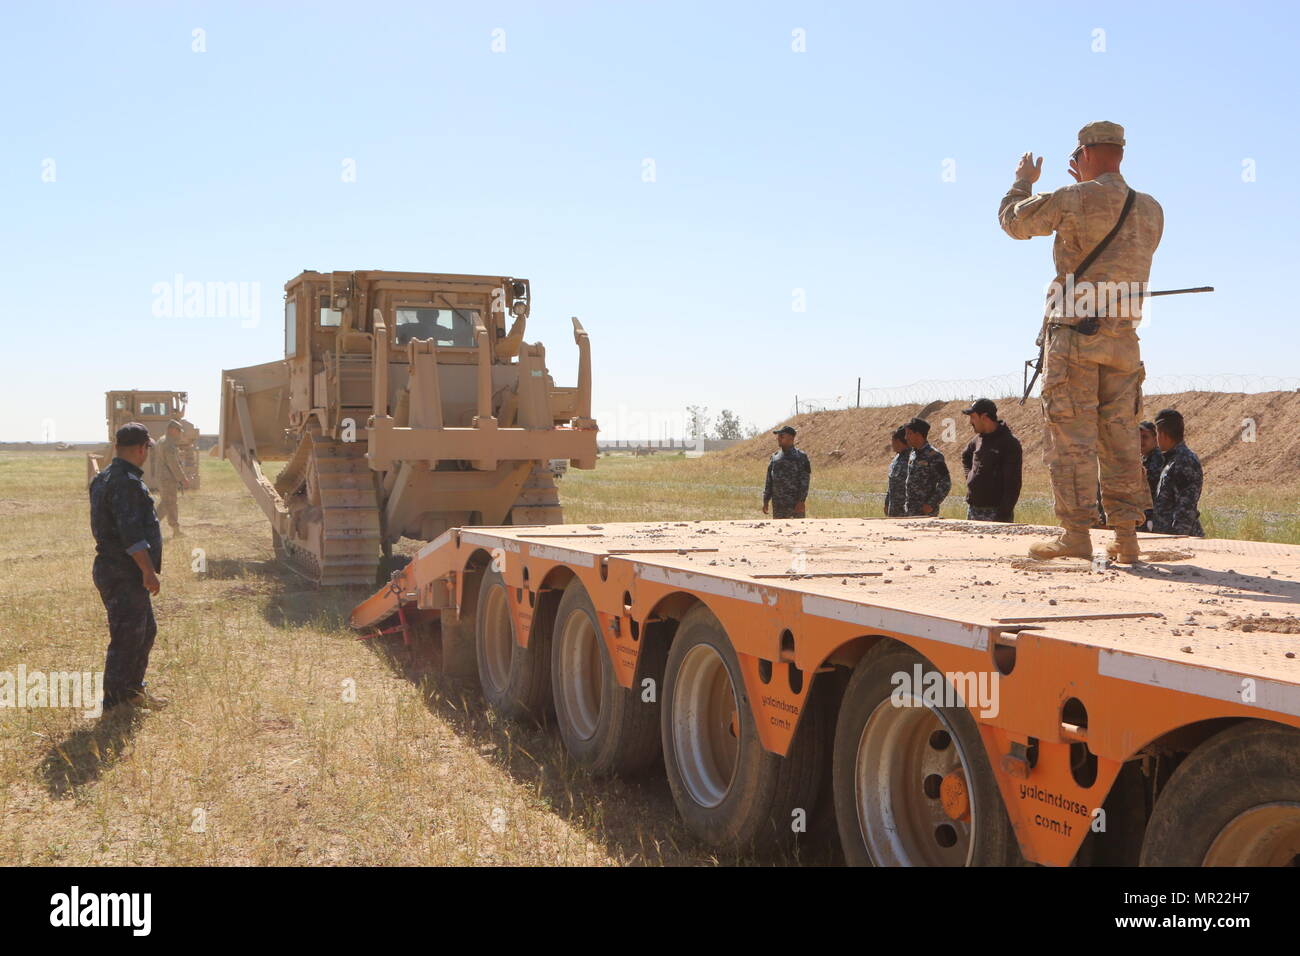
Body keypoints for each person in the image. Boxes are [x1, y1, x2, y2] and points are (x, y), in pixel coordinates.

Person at [999, 121, 1164, 563]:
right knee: (1122, 435)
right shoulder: (1150, 209)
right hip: (1124, 338)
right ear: (1120, 154)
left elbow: (1014, 224)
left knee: (1072, 436)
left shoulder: (1073, 198)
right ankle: (1126, 538)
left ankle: (1076, 534)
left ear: (1086, 153)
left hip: (1076, 335)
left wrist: (1023, 183)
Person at [89, 422, 167, 711]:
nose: (147, 453)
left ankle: (133, 692)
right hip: (124, 571)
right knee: (126, 637)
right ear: (140, 448)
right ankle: (115, 701)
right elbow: (132, 535)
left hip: (114, 568)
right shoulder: (127, 483)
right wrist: (147, 571)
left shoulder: (103, 478)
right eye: (147, 448)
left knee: (144, 632)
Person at [959, 398, 1023, 522]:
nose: (970, 422)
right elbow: (965, 456)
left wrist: (1003, 515)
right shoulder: (977, 439)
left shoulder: (1009, 442)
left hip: (996, 512)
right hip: (974, 509)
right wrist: (970, 475)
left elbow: (1013, 484)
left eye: (973, 417)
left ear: (984, 417)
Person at [1151, 408, 1204, 536]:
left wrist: (1178, 539)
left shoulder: (1183, 460)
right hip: (1168, 535)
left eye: (1157, 434)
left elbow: (1186, 507)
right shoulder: (1173, 458)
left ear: (1162, 434)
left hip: (1180, 538)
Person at [902, 418, 951, 517]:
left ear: (918, 435)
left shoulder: (934, 456)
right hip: (910, 510)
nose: (906, 437)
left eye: (909, 434)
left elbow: (945, 482)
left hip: (925, 513)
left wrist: (931, 504)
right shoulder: (913, 454)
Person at [762, 425, 811, 519]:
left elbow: (805, 481)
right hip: (778, 507)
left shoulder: (800, 457)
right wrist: (766, 499)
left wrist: (801, 501)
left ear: (791, 438)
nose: (778, 438)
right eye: (778, 436)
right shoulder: (775, 458)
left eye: (782, 436)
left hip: (794, 506)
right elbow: (769, 481)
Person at [155, 419, 191, 537]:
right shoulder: (168, 444)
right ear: (171, 430)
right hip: (168, 478)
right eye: (178, 430)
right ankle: (174, 529)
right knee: (169, 504)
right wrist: (182, 478)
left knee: (166, 503)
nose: (180, 433)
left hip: (162, 477)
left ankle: (152, 526)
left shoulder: (161, 440)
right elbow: (173, 464)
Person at [1139, 420, 1163, 531]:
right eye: (1138, 437)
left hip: (1153, 517)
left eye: (1145, 437)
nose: (1141, 441)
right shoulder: (1145, 458)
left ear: (1155, 439)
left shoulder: (1158, 458)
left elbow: (1149, 484)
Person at [884, 426, 909, 517]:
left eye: (892, 441)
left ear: (898, 441)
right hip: (894, 509)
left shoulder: (912, 457)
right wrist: (887, 503)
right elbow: (892, 483)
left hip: (906, 510)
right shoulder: (897, 458)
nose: (892, 444)